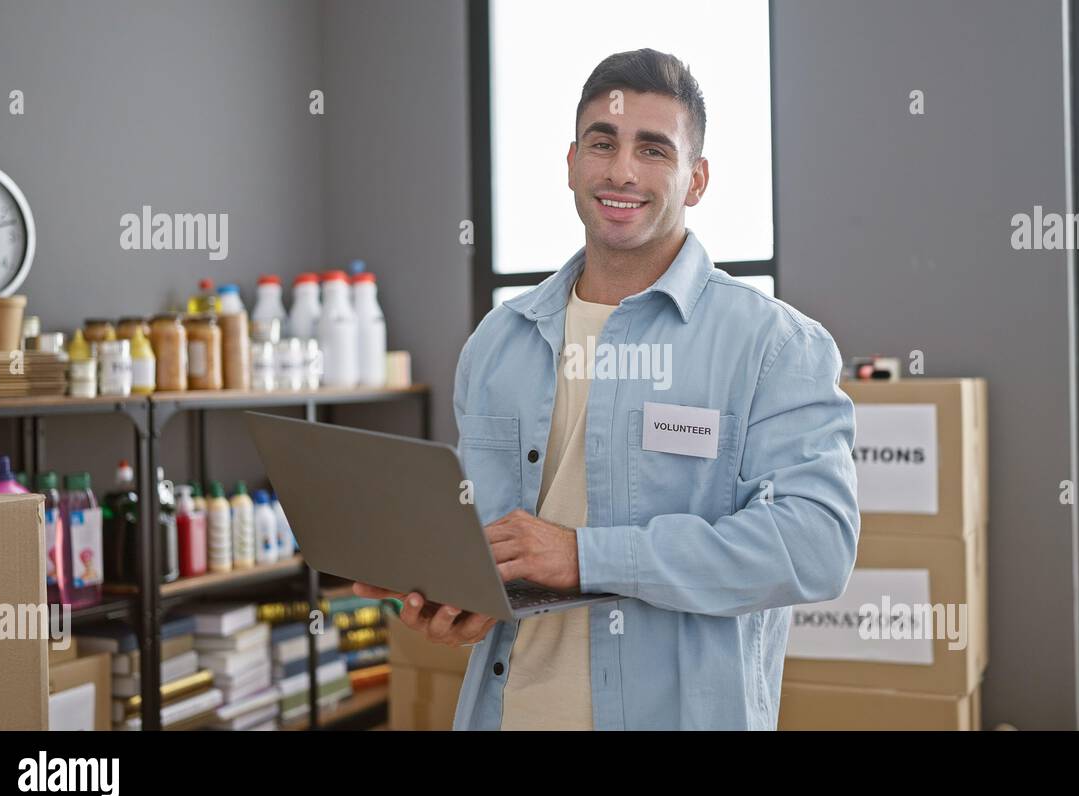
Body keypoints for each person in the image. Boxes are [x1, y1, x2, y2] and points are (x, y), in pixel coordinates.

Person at [355, 48, 859, 730]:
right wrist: (455, 596)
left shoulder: (774, 346)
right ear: (572, 162)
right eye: (603, 143)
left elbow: (817, 545)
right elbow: (500, 544)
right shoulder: (496, 345)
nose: (622, 170)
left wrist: (586, 554)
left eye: (654, 149)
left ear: (698, 178)